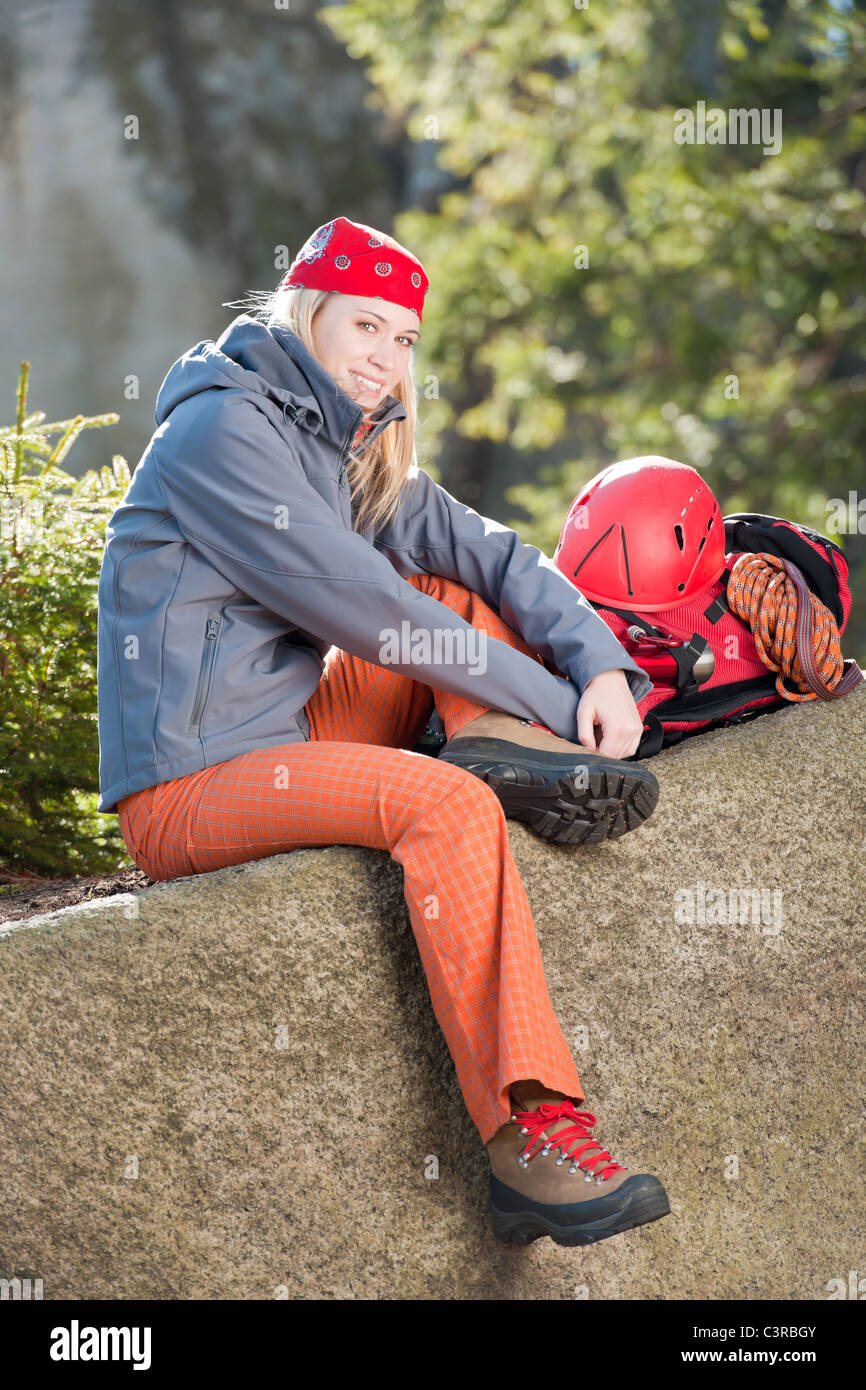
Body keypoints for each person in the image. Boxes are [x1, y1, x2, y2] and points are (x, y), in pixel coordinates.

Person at [97, 215, 671, 1247]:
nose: (385, 357)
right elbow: (377, 614)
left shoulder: (339, 437)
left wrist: (601, 672)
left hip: (282, 738)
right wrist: (554, 707)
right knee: (445, 800)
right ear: (306, 314)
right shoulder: (222, 433)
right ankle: (528, 1136)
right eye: (365, 326)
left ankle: (500, 738)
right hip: (188, 787)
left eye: (404, 339)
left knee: (454, 569)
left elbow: (490, 553)